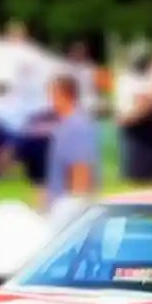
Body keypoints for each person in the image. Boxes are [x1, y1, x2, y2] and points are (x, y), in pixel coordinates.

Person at [41, 73, 100, 211]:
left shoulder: (77, 127)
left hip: (70, 211)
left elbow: (81, 171)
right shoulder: (64, 126)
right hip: (61, 208)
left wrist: (74, 211)